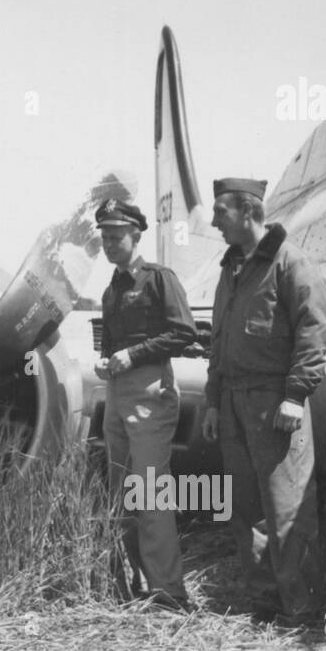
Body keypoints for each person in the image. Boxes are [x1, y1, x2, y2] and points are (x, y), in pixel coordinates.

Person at [200, 177, 326, 626]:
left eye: (221, 211)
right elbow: (218, 343)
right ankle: (267, 603)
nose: (214, 220)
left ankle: (302, 607)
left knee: (287, 507)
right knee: (246, 508)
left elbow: (315, 333)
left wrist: (295, 396)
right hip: (235, 403)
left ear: (247, 211)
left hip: (276, 402)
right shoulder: (230, 270)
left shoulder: (289, 262)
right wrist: (214, 401)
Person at [94, 197, 198, 611]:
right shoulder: (111, 289)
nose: (109, 242)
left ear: (136, 235)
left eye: (116, 235)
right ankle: (135, 582)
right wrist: (106, 361)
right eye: (104, 236)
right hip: (117, 392)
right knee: (121, 490)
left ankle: (168, 591)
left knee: (152, 491)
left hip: (150, 390)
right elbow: (113, 343)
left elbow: (184, 332)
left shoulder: (158, 278)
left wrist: (133, 356)